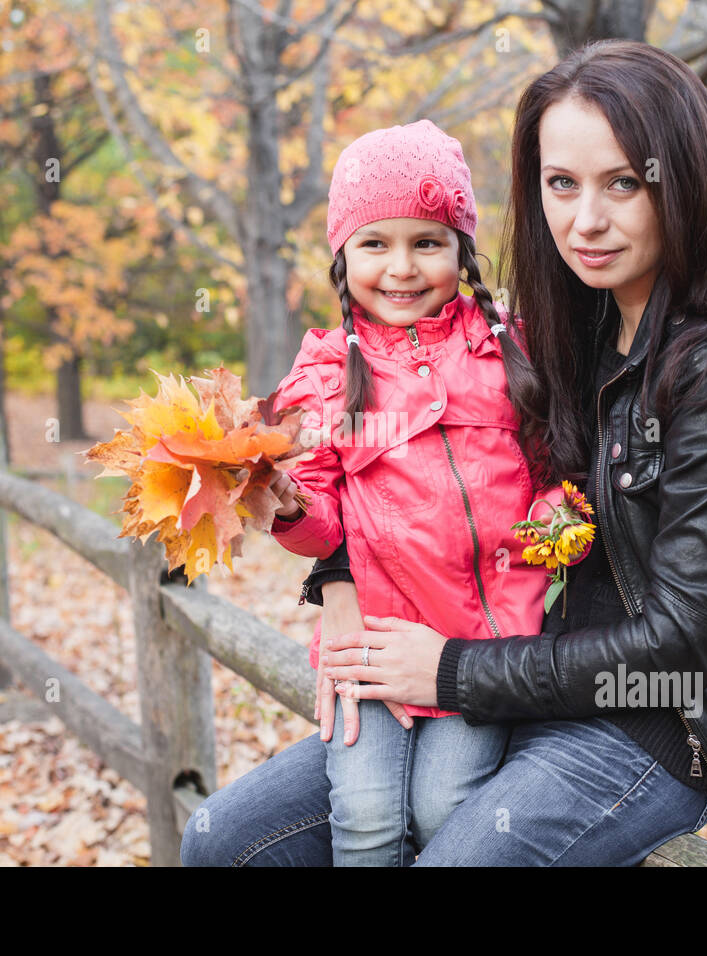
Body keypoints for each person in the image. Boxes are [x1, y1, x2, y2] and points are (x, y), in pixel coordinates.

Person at [181, 39, 707, 867]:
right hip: (516, 666)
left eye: (623, 184)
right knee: (223, 841)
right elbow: (418, 479)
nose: (585, 220)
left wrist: (453, 673)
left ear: (684, 183)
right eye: (561, 183)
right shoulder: (564, 324)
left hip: (653, 718)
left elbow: (685, 637)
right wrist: (338, 577)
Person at [259, 119, 557, 865]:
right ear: (342, 255)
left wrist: (554, 521)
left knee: (446, 807)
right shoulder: (327, 375)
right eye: (375, 244)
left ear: (462, 248)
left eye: (427, 242)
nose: (401, 267)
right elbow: (323, 526)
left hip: (480, 646)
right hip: (372, 648)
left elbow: (556, 467)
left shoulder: (508, 350)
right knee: (364, 819)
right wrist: (290, 506)